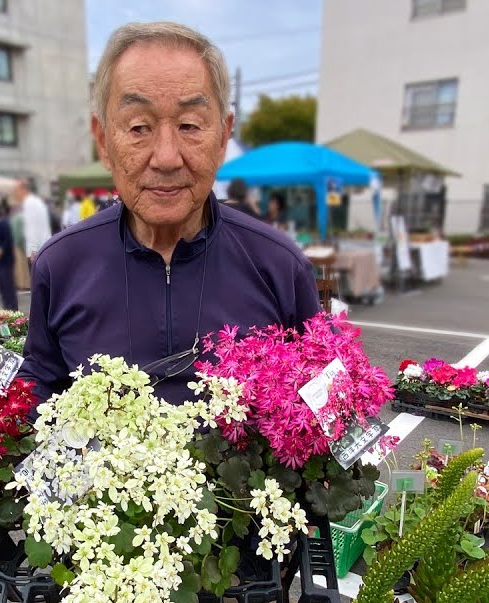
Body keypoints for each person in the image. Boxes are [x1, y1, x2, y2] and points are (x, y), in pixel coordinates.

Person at [18, 22, 320, 407]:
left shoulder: (279, 264)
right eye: (138, 127)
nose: (165, 158)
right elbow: (41, 380)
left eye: (189, 125)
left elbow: (322, 390)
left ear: (223, 136)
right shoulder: (60, 263)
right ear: (103, 141)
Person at [15, 178, 52, 266]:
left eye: (17, 190)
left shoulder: (29, 203)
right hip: (44, 249)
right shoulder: (36, 201)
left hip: (37, 252)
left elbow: (32, 230)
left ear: (23, 189)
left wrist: (32, 255)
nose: (16, 194)